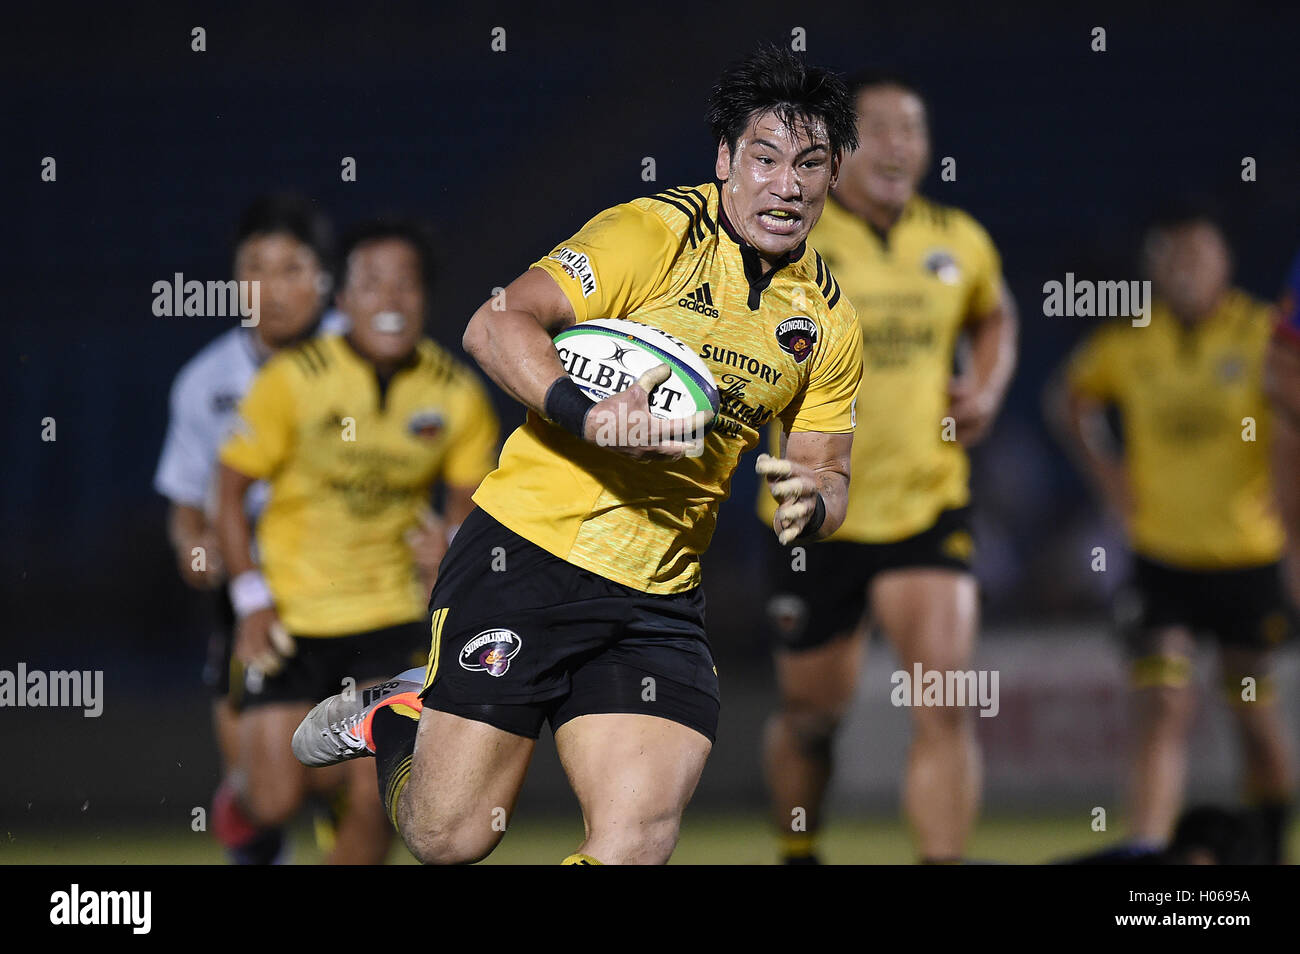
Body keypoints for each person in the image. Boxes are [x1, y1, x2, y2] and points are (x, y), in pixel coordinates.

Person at [292, 45, 864, 865]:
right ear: (725, 161)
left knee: (634, 844)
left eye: (809, 164)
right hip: (524, 555)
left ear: (834, 172)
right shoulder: (650, 234)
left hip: (657, 601)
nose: (787, 185)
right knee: (446, 838)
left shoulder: (831, 321)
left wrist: (813, 507)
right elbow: (494, 324)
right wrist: (584, 412)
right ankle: (397, 719)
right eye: (765, 158)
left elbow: (828, 471)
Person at [758, 70, 1017, 864]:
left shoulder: (959, 240)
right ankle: (800, 852)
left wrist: (989, 385)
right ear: (837, 149)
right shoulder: (791, 237)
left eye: (915, 129)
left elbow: (996, 309)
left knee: (943, 706)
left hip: (927, 507)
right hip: (814, 511)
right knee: (811, 716)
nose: (901, 145)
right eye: (881, 129)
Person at [215, 218, 500, 864]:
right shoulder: (294, 379)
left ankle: (344, 790)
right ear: (341, 300)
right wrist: (251, 599)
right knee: (276, 798)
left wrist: (450, 550)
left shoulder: (454, 392)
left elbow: (469, 515)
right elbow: (228, 491)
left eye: (406, 284)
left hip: (388, 621)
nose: (391, 300)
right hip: (293, 616)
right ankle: (252, 799)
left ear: (425, 298)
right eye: (371, 284)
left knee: (377, 798)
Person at [1054, 207, 1294, 864]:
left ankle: (1270, 847)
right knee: (1162, 704)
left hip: (1247, 556)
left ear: (1226, 264)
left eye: (1200, 256)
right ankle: (1148, 858)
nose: (1187, 270)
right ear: (1154, 268)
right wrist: (1109, 478)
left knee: (1252, 713)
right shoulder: (1130, 340)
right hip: (1162, 560)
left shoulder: (1259, 333)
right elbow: (1069, 399)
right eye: (1174, 258)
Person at [154, 193, 338, 863]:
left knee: (358, 785)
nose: (272, 286)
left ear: (323, 277)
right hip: (254, 600)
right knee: (265, 797)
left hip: (356, 594)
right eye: (255, 267)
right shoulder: (205, 382)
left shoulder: (364, 355)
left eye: (292, 266)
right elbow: (186, 505)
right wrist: (193, 546)